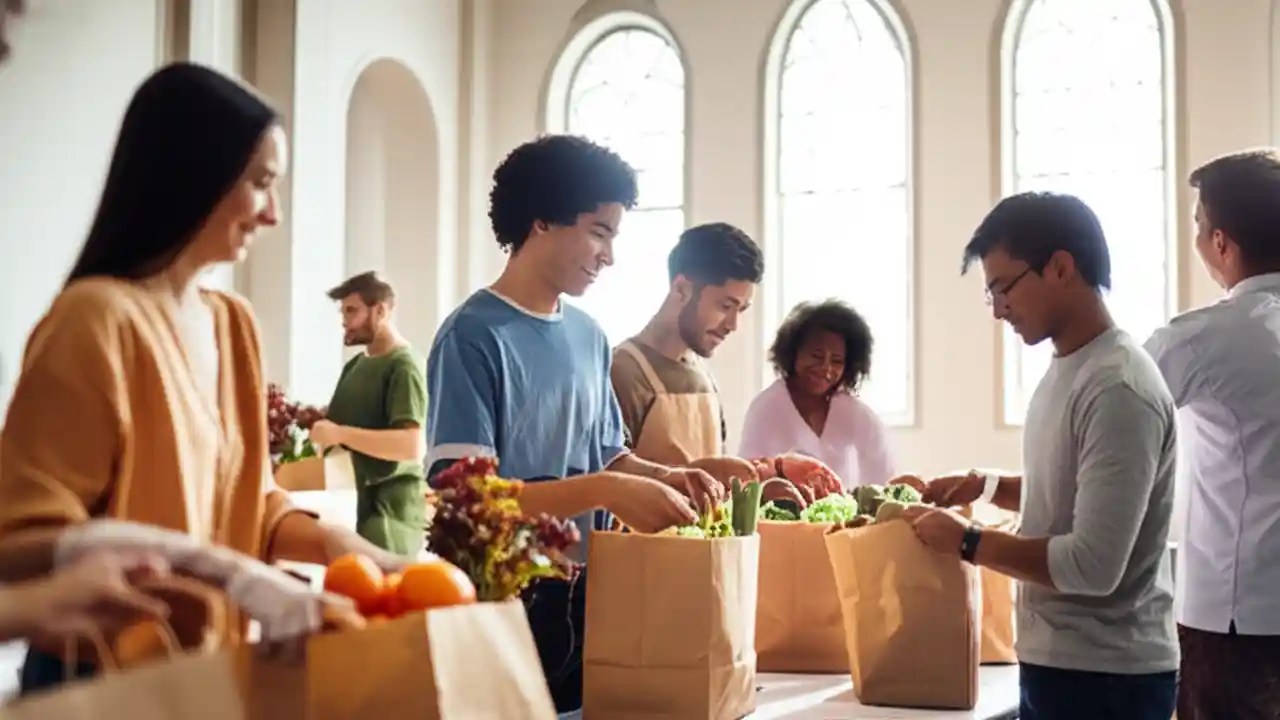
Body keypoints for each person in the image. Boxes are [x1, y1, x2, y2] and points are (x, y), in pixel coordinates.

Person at [0, 62, 401, 694]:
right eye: (259, 183)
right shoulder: (95, 321)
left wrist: (335, 545)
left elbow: (247, 504)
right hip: (98, 680)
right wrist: (233, 579)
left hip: (205, 676)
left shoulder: (233, 325)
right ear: (193, 178)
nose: (272, 214)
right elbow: (24, 536)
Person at [426, 134, 723, 712]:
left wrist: (665, 478)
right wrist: (608, 489)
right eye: (599, 231)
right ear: (542, 220)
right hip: (506, 601)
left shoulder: (589, 337)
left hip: (593, 595)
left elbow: (609, 455)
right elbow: (469, 501)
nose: (608, 255)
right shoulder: (472, 337)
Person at [899, 192, 1178, 720]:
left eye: (1003, 287)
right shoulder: (1070, 369)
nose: (1000, 309)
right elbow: (1079, 495)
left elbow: (1093, 565)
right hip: (1061, 663)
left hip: (1107, 679)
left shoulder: (1118, 387)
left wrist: (965, 541)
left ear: (1060, 267)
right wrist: (985, 486)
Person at [1143, 150, 1280, 720]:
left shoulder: (1204, 338)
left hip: (1234, 616)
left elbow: (1114, 416)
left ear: (1220, 242)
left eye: (1200, 227)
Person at [610, 222, 762, 465]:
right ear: (681, 289)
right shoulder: (622, 373)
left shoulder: (704, 377)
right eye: (725, 306)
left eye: (741, 310)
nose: (733, 324)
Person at [310, 271, 428, 557]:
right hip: (354, 509)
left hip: (390, 519)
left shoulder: (404, 366)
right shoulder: (355, 367)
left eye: (352, 310)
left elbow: (410, 445)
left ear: (380, 311)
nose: (344, 320)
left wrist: (339, 433)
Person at [738, 299, 895, 488]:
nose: (825, 368)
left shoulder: (857, 414)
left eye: (836, 361)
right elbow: (746, 480)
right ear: (794, 352)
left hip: (847, 517)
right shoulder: (765, 408)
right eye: (816, 356)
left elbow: (886, 479)